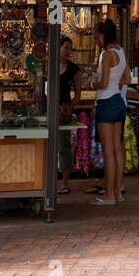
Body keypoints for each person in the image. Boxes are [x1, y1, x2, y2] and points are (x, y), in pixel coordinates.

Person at [92, 19, 129, 205]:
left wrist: (92, 83)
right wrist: (116, 84)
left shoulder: (106, 55)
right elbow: (127, 78)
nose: (95, 40)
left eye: (97, 36)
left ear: (104, 35)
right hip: (118, 101)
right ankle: (118, 193)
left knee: (108, 152)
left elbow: (103, 83)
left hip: (106, 102)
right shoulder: (121, 52)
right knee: (116, 150)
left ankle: (109, 195)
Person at [56, 36, 82, 196]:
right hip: (49, 109)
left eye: (70, 48)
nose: (68, 51)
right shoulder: (48, 65)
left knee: (64, 146)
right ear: (58, 48)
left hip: (64, 111)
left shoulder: (73, 68)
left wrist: (70, 108)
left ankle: (65, 183)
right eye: (65, 47)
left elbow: (78, 93)